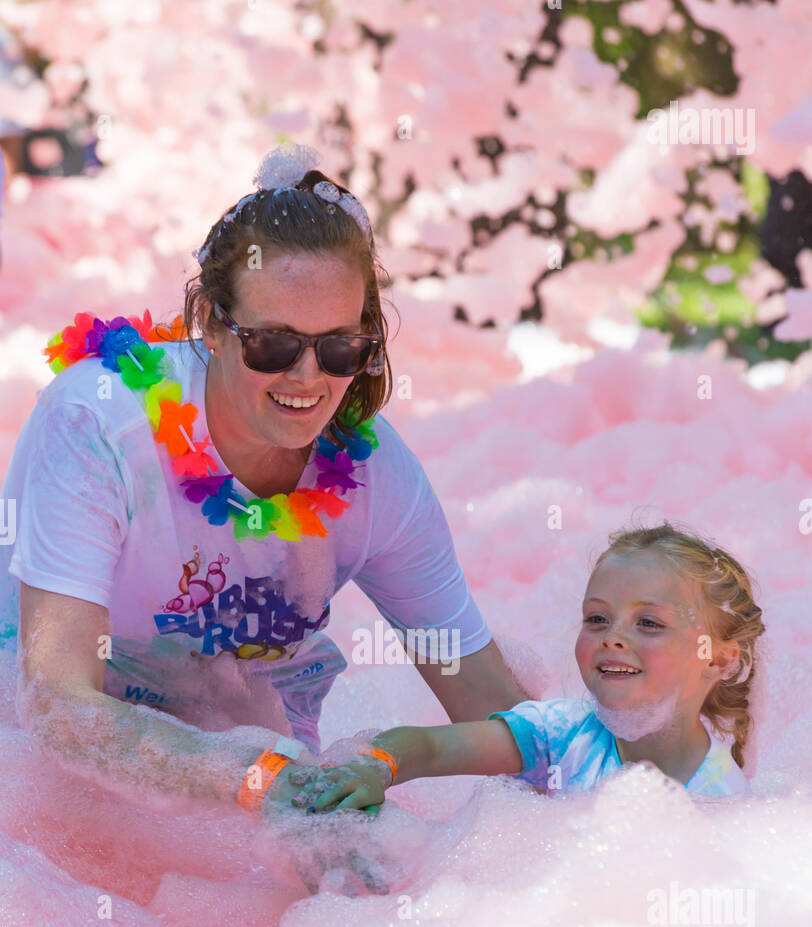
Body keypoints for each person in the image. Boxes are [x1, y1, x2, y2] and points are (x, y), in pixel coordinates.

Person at [0, 141, 528, 822]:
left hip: (246, 744)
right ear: (211, 326)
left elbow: (492, 705)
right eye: (273, 344)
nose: (307, 377)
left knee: (355, 857)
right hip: (43, 767)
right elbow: (57, 708)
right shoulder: (98, 423)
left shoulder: (375, 476)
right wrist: (253, 775)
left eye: (339, 348)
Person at [280, 523, 766, 812]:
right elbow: (429, 747)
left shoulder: (724, 804)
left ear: (719, 658)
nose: (613, 637)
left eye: (649, 623)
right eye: (597, 618)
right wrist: (376, 766)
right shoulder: (561, 735)